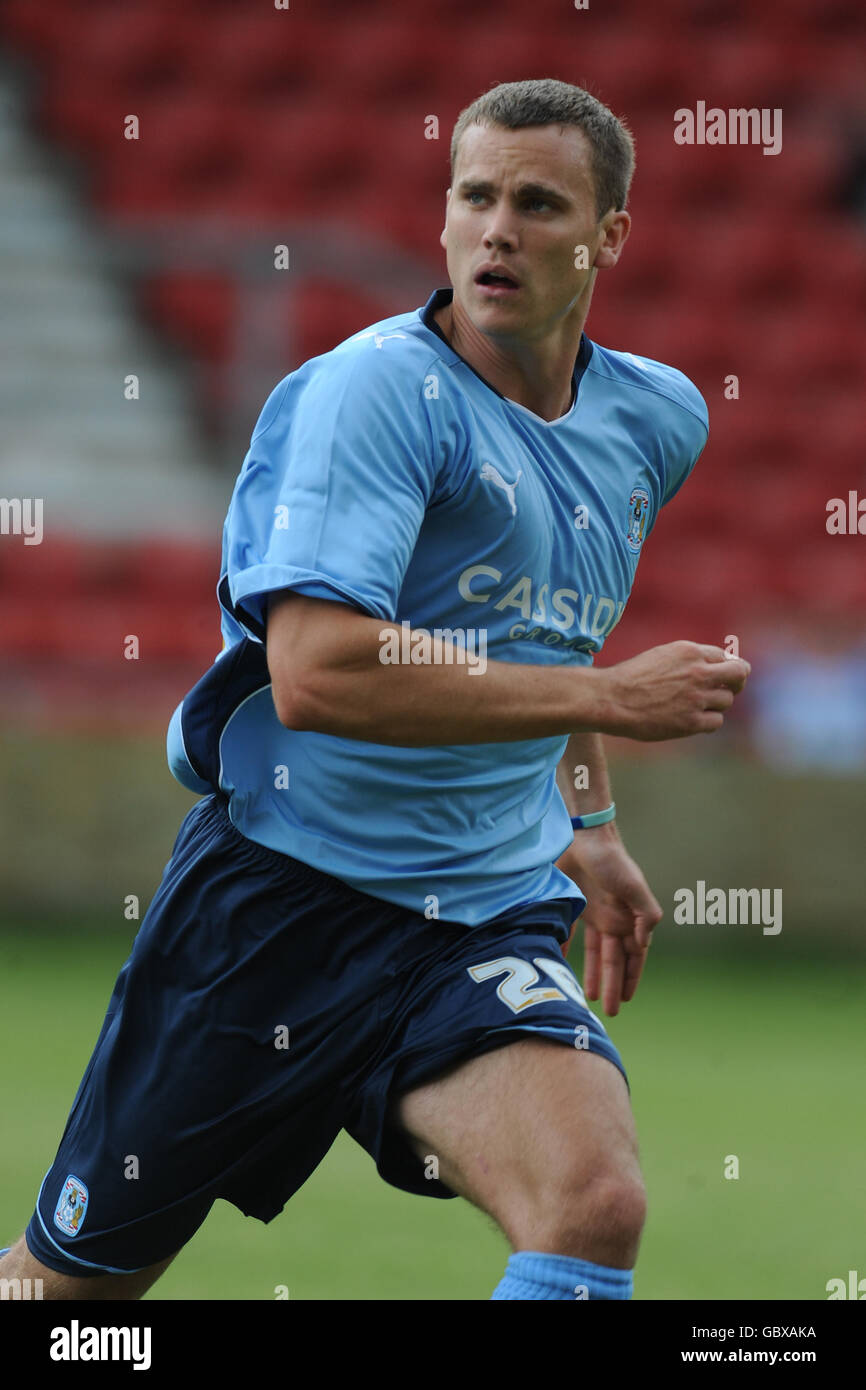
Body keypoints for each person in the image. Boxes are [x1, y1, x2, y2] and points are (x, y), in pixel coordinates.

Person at [1, 78, 749, 1301]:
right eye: (474, 195)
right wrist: (610, 701)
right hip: (279, 910)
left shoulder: (655, 418)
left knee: (592, 1202)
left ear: (608, 236)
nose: (496, 228)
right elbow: (319, 671)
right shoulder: (376, 395)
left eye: (536, 202)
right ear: (444, 212)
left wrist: (592, 826)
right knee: (70, 1297)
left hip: (481, 912)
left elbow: (544, 634)